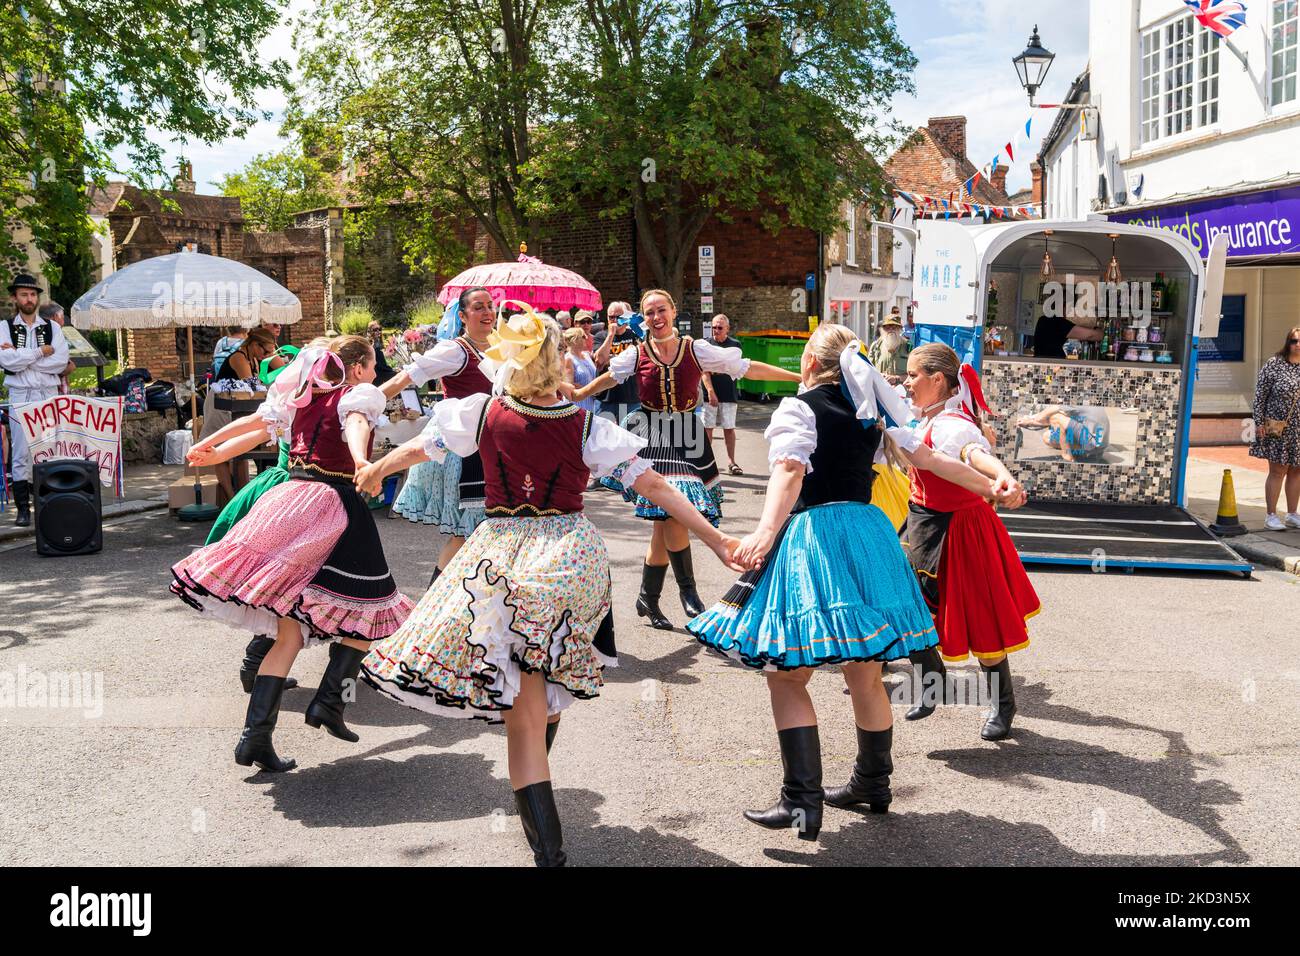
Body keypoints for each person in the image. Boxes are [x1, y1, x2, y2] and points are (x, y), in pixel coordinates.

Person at [357, 309, 742, 866]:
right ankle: (542, 813)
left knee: (525, 702)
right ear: (556, 357)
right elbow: (653, 482)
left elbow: (423, 447)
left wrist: (376, 469)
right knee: (537, 688)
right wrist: (715, 538)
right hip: (568, 557)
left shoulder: (480, 412)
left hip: (503, 554)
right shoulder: (585, 426)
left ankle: (543, 827)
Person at [687, 323, 1024, 840]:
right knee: (863, 673)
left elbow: (790, 471)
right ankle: (872, 783)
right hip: (868, 535)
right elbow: (930, 458)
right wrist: (993, 486)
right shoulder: (871, 411)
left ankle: (801, 802)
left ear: (809, 363)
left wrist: (762, 531)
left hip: (817, 535)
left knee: (787, 674)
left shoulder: (800, 408)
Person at [171, 337, 415, 772]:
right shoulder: (357, 396)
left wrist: (211, 449)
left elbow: (255, 427)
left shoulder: (301, 398)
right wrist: (362, 462)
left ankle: (255, 739)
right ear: (356, 368)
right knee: (373, 610)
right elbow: (357, 421)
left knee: (290, 634)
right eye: (373, 365)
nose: (376, 374)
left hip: (291, 498)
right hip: (336, 504)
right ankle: (328, 703)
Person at [571, 289, 801, 629]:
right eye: (648, 313)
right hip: (652, 434)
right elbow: (609, 376)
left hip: (687, 434)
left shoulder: (696, 349)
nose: (655, 317)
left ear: (674, 312)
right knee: (674, 512)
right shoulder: (637, 353)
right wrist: (578, 393)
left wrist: (800, 379)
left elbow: (746, 368)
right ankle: (688, 594)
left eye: (660, 310)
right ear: (644, 318)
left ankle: (648, 597)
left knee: (667, 519)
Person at [899, 343, 1040, 739]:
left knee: (981, 617)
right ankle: (932, 680)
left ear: (938, 380)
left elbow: (973, 451)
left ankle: (1003, 705)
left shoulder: (951, 424)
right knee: (905, 606)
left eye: (913, 375)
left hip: (962, 530)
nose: (907, 382)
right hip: (921, 525)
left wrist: (1002, 477)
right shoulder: (923, 414)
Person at [392, 287, 495, 580]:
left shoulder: (503, 348)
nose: (488, 312)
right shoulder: (455, 350)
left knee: (494, 529)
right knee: (469, 532)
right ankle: (434, 601)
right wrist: (370, 401)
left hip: (496, 446)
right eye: (479, 307)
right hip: (467, 452)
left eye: (490, 306)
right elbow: (410, 375)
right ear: (462, 316)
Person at [1, 274, 70, 526]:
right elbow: (6, 362)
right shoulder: (4, 328)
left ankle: (47, 505)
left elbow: (60, 361)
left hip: (47, 395)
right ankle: (22, 509)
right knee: (20, 453)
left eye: (32, 295)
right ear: (15, 298)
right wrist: (40, 352)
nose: (29, 299)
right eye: (23, 295)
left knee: (48, 450)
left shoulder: (52, 328)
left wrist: (22, 359)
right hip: (21, 396)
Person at [199, 327, 278, 501]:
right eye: (264, 350)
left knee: (239, 451)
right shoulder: (239, 358)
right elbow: (252, 386)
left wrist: (272, 354)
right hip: (220, 403)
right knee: (220, 451)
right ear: (254, 344)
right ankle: (230, 496)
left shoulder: (255, 358)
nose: (266, 355)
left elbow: (281, 369)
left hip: (237, 404)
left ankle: (242, 495)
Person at [1251, 327, 1300, 530]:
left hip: (1299, 429)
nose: (1298, 344)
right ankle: (1271, 515)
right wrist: (1259, 422)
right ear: (1287, 343)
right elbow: (1260, 395)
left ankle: (1292, 513)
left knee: (1297, 471)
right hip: (1278, 427)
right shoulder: (1275, 364)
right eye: (1294, 341)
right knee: (1278, 470)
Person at [701, 314, 744, 475]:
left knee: (729, 428)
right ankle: (706, 463)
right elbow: (704, 371)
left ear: (727, 329)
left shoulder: (735, 345)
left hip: (728, 392)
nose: (716, 331)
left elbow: (732, 367)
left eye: (720, 328)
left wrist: (717, 367)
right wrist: (711, 392)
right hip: (710, 393)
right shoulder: (706, 344)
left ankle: (732, 462)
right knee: (708, 428)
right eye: (714, 327)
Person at [592, 300, 640, 420]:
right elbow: (600, 360)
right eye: (611, 317)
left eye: (618, 317)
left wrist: (611, 358)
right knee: (604, 436)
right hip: (606, 398)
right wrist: (610, 335)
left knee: (632, 436)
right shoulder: (601, 336)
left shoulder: (634, 336)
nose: (614, 320)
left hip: (631, 397)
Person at [1016, 404, 1111, 463]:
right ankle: (1082, 453)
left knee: (1057, 417)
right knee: (1047, 437)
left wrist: (1030, 420)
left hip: (1092, 443)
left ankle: (1067, 458)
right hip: (1099, 446)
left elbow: (1048, 415)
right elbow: (1051, 421)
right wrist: (1030, 421)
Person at [560, 327, 600, 413]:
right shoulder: (568, 359)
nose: (586, 337)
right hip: (578, 406)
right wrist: (591, 390)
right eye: (583, 336)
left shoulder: (587, 355)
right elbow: (569, 386)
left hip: (592, 403)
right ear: (575, 340)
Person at [866, 309, 911, 386]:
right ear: (883, 329)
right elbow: (868, 369)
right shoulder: (876, 346)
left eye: (894, 327)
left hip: (902, 393)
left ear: (900, 329)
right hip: (881, 391)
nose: (891, 330)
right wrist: (880, 375)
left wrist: (896, 378)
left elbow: (914, 375)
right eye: (887, 327)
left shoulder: (909, 346)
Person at [367, 321, 397, 386]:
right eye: (375, 330)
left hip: (380, 370)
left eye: (379, 329)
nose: (378, 331)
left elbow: (380, 359)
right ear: (370, 331)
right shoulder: (369, 344)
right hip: (376, 373)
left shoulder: (377, 342)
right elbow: (377, 362)